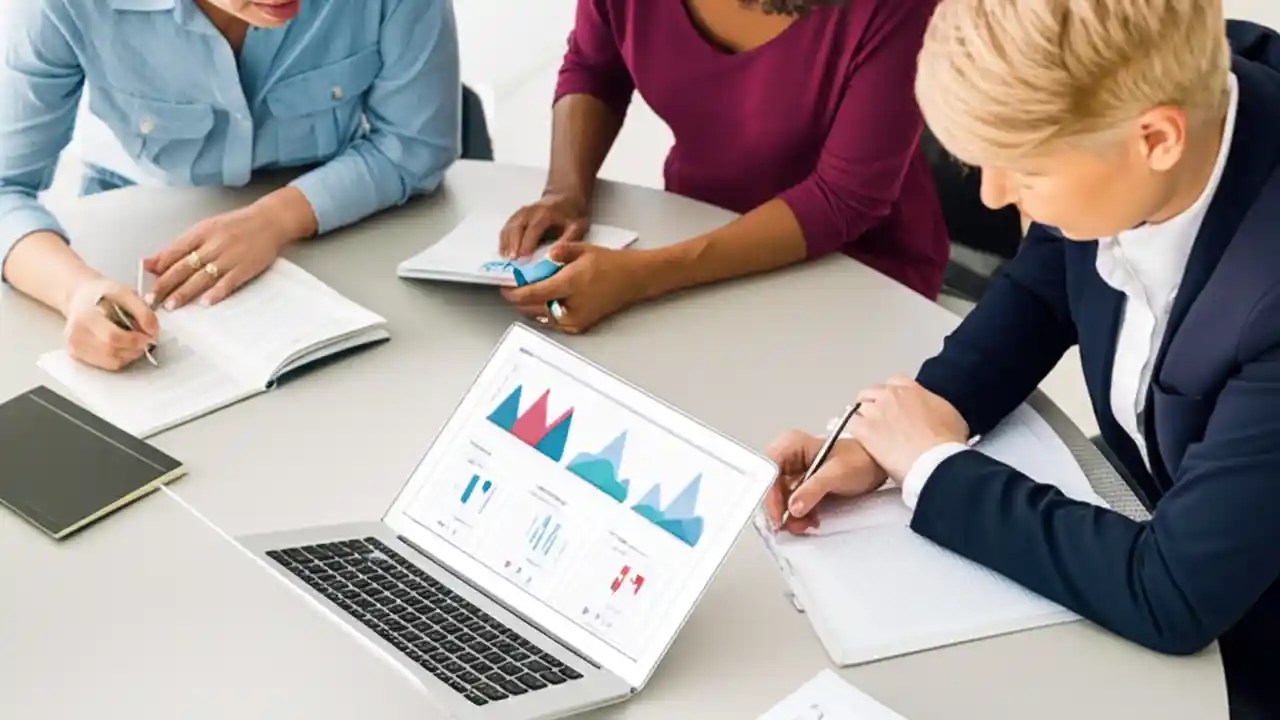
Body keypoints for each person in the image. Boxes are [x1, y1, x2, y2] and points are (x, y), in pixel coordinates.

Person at [763, 2, 1280, 717]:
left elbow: (1173, 595)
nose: (992, 195)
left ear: (1157, 139)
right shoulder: (1155, 81)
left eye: (1027, 170)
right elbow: (1047, 284)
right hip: (1157, 509)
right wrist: (900, 431)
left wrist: (933, 468)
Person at [0, 0, 460, 371]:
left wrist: (277, 218)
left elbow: (414, 146)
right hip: (135, 240)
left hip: (340, 238)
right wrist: (76, 292)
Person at [498, 0, 948, 333]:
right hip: (692, 230)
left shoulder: (896, 9)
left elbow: (842, 198)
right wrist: (565, 191)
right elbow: (595, 67)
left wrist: (643, 276)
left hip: (854, 270)